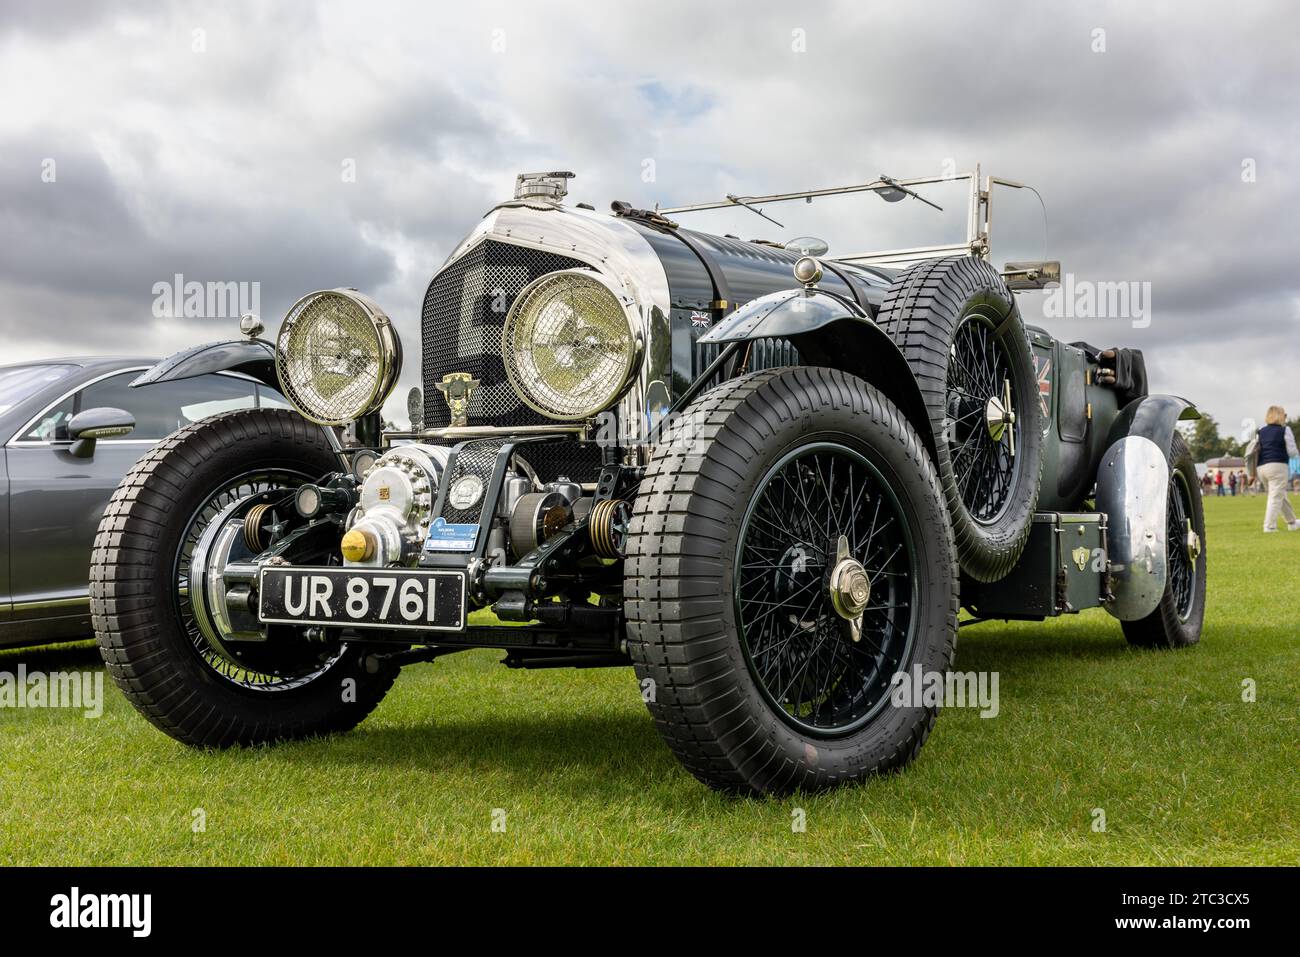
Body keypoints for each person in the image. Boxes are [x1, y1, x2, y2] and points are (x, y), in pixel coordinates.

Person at [1257, 406, 1300, 532]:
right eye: (1284, 415)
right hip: (1278, 466)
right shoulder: (1285, 430)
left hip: (1261, 467)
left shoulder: (1260, 431)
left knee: (1280, 494)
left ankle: (1292, 522)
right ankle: (1269, 526)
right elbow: (1292, 452)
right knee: (1275, 497)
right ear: (1280, 416)